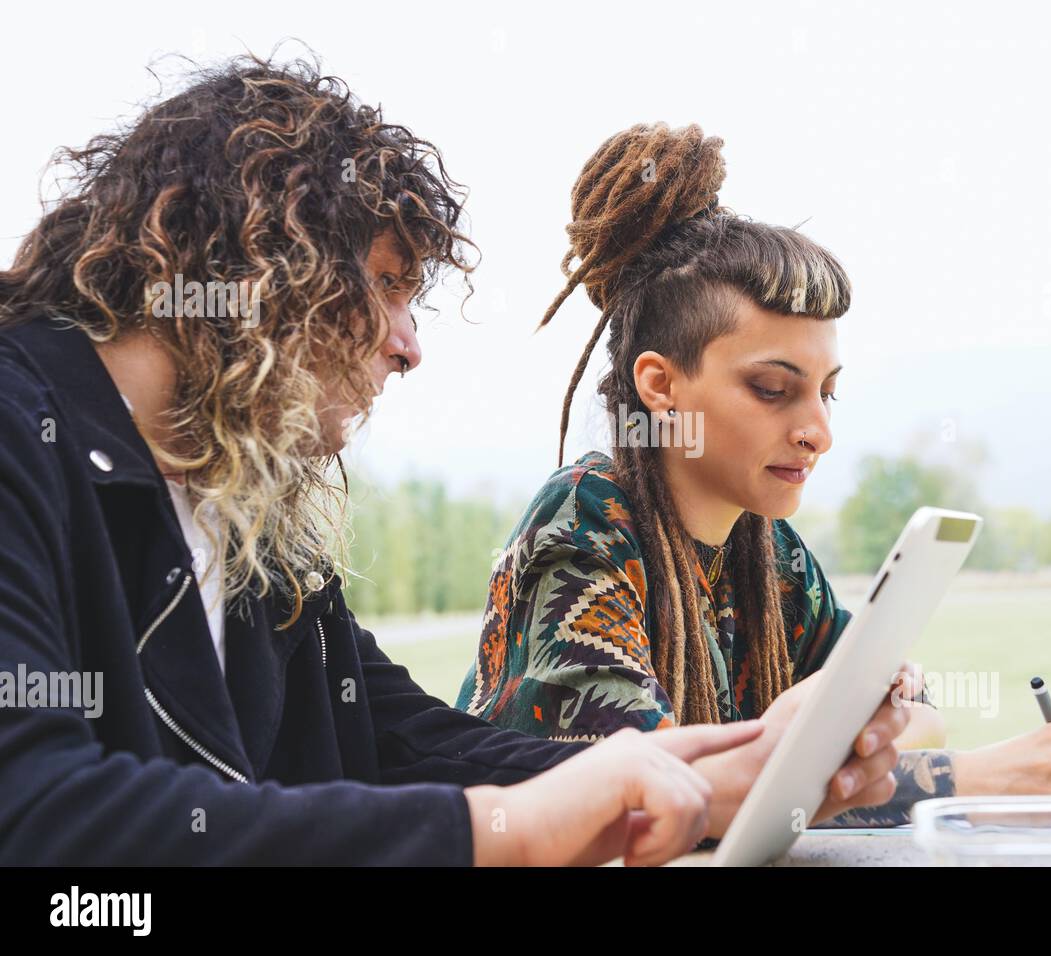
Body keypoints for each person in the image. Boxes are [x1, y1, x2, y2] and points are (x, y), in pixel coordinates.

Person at [0, 56, 907, 866]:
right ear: (261, 263)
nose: (408, 346)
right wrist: (501, 831)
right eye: (389, 286)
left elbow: (400, 743)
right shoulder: (17, 433)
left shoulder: (240, 500)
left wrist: (707, 769)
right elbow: (38, 816)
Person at [457, 123, 1051, 827]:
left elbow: (913, 716)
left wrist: (826, 739)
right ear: (660, 385)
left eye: (826, 391)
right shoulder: (583, 523)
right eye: (774, 389)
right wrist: (975, 781)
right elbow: (650, 799)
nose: (818, 432)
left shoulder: (768, 550)